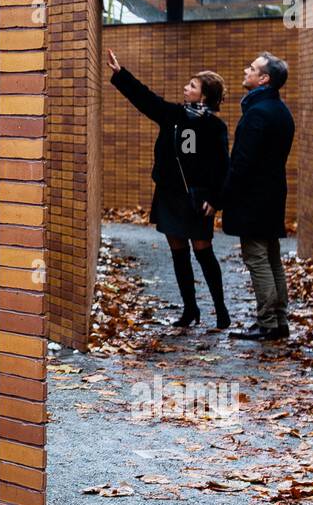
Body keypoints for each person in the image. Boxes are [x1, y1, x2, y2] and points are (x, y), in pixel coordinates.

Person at [107, 49, 230, 329]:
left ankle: (221, 311)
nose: (186, 88)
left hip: (198, 198)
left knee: (203, 252)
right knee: (178, 253)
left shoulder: (215, 126)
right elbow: (146, 99)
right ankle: (190, 310)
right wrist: (121, 75)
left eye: (192, 86)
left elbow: (223, 166)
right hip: (169, 195)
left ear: (205, 95)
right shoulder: (173, 115)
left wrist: (214, 198)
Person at [206, 52, 295, 340]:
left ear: (264, 79)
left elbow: (241, 164)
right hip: (271, 196)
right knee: (271, 258)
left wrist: (220, 199)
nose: (246, 70)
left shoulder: (257, 114)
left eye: (252, 68)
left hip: (253, 199)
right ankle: (279, 321)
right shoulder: (281, 111)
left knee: (257, 258)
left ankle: (268, 323)